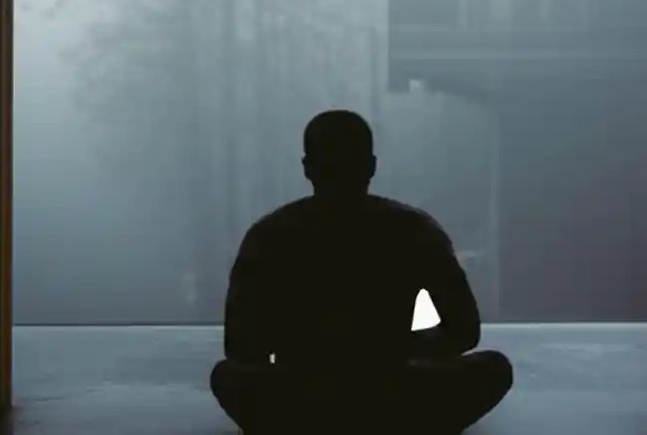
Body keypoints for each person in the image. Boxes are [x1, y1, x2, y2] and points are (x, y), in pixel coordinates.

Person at [210, 110, 513, 434]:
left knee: (227, 377)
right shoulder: (414, 230)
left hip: (299, 393)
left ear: (308, 168)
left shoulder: (270, 235)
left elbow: (241, 348)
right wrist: (396, 347)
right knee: (494, 368)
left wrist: (306, 348)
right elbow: (464, 332)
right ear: (370, 166)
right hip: (394, 389)